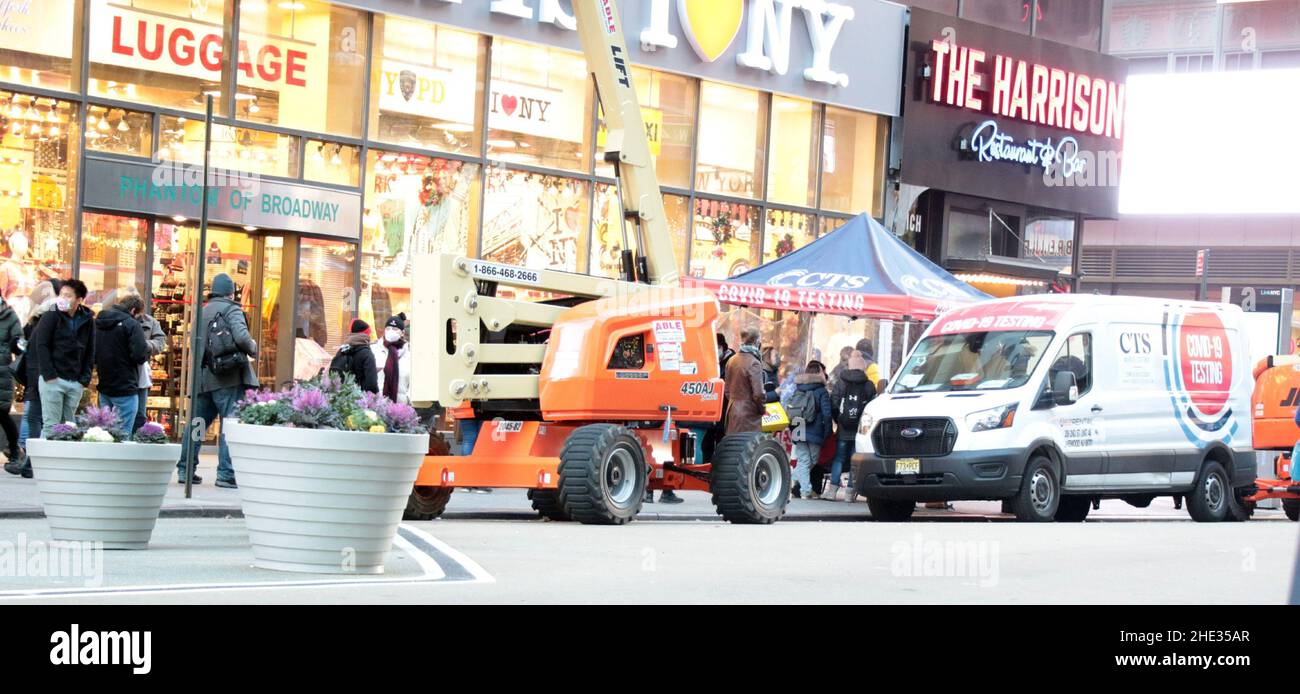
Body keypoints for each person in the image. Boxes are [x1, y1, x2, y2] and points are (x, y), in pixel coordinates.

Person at [176, 273, 258, 489]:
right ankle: (225, 473)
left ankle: (186, 469)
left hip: (202, 379)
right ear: (231, 292)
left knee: (197, 425)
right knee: (229, 426)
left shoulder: (200, 312)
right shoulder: (232, 309)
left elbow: (194, 344)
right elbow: (241, 337)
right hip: (227, 379)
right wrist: (253, 347)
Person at [5, 280, 59, 478]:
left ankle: (23, 455)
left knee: (32, 416)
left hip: (33, 376)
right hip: (45, 377)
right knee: (44, 419)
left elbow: (18, 345)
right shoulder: (53, 327)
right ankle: (28, 459)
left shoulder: (31, 325)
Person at [32, 279, 94, 434]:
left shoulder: (87, 320)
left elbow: (90, 350)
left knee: (69, 427)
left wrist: (84, 379)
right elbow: (41, 344)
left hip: (75, 382)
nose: (62, 299)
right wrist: (49, 374)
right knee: (51, 426)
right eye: (61, 294)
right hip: (53, 380)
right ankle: (40, 459)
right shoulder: (51, 315)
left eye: (68, 296)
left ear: (79, 300)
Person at [93, 294, 150, 433]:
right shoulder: (131, 324)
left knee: (105, 433)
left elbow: (92, 353)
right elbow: (140, 355)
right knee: (123, 433)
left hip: (104, 386)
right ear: (133, 310)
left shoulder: (98, 322)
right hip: (125, 386)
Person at [117, 286, 166, 433]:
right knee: (117, 414)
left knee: (139, 413)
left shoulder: (150, 322)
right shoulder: (116, 320)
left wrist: (143, 344)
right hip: (120, 372)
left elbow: (160, 342)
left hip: (141, 374)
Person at [828, 352, 876, 502]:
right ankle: (850, 493)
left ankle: (832, 491)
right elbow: (872, 407)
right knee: (855, 460)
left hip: (843, 428)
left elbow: (834, 403)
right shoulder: (868, 385)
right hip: (859, 430)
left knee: (839, 458)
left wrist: (839, 420)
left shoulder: (841, 383)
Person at [788, 361, 833, 500]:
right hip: (815, 429)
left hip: (798, 425)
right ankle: (805, 490)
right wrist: (828, 431)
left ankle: (790, 478)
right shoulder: (821, 391)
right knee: (811, 460)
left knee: (804, 460)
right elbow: (827, 413)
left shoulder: (798, 388)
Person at [724, 328, 766, 434]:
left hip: (732, 410)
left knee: (733, 445)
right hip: (749, 414)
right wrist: (762, 409)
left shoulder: (732, 360)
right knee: (747, 446)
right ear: (756, 342)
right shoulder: (754, 362)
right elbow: (759, 394)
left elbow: (727, 390)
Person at [0, 292, 23, 467]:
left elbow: (19, 344)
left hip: (1, 371)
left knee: (2, 413)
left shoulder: (9, 315)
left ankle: (15, 450)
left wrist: (17, 343)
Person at [330, 318, 379, 394]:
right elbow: (371, 384)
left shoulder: (342, 350)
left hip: (341, 398)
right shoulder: (367, 354)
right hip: (360, 400)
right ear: (366, 334)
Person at [372, 313, 410, 404]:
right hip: (377, 406)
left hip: (401, 410)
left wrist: (408, 400)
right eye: (388, 329)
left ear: (402, 333)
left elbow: (414, 382)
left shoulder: (409, 355)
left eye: (395, 329)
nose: (391, 331)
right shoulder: (374, 350)